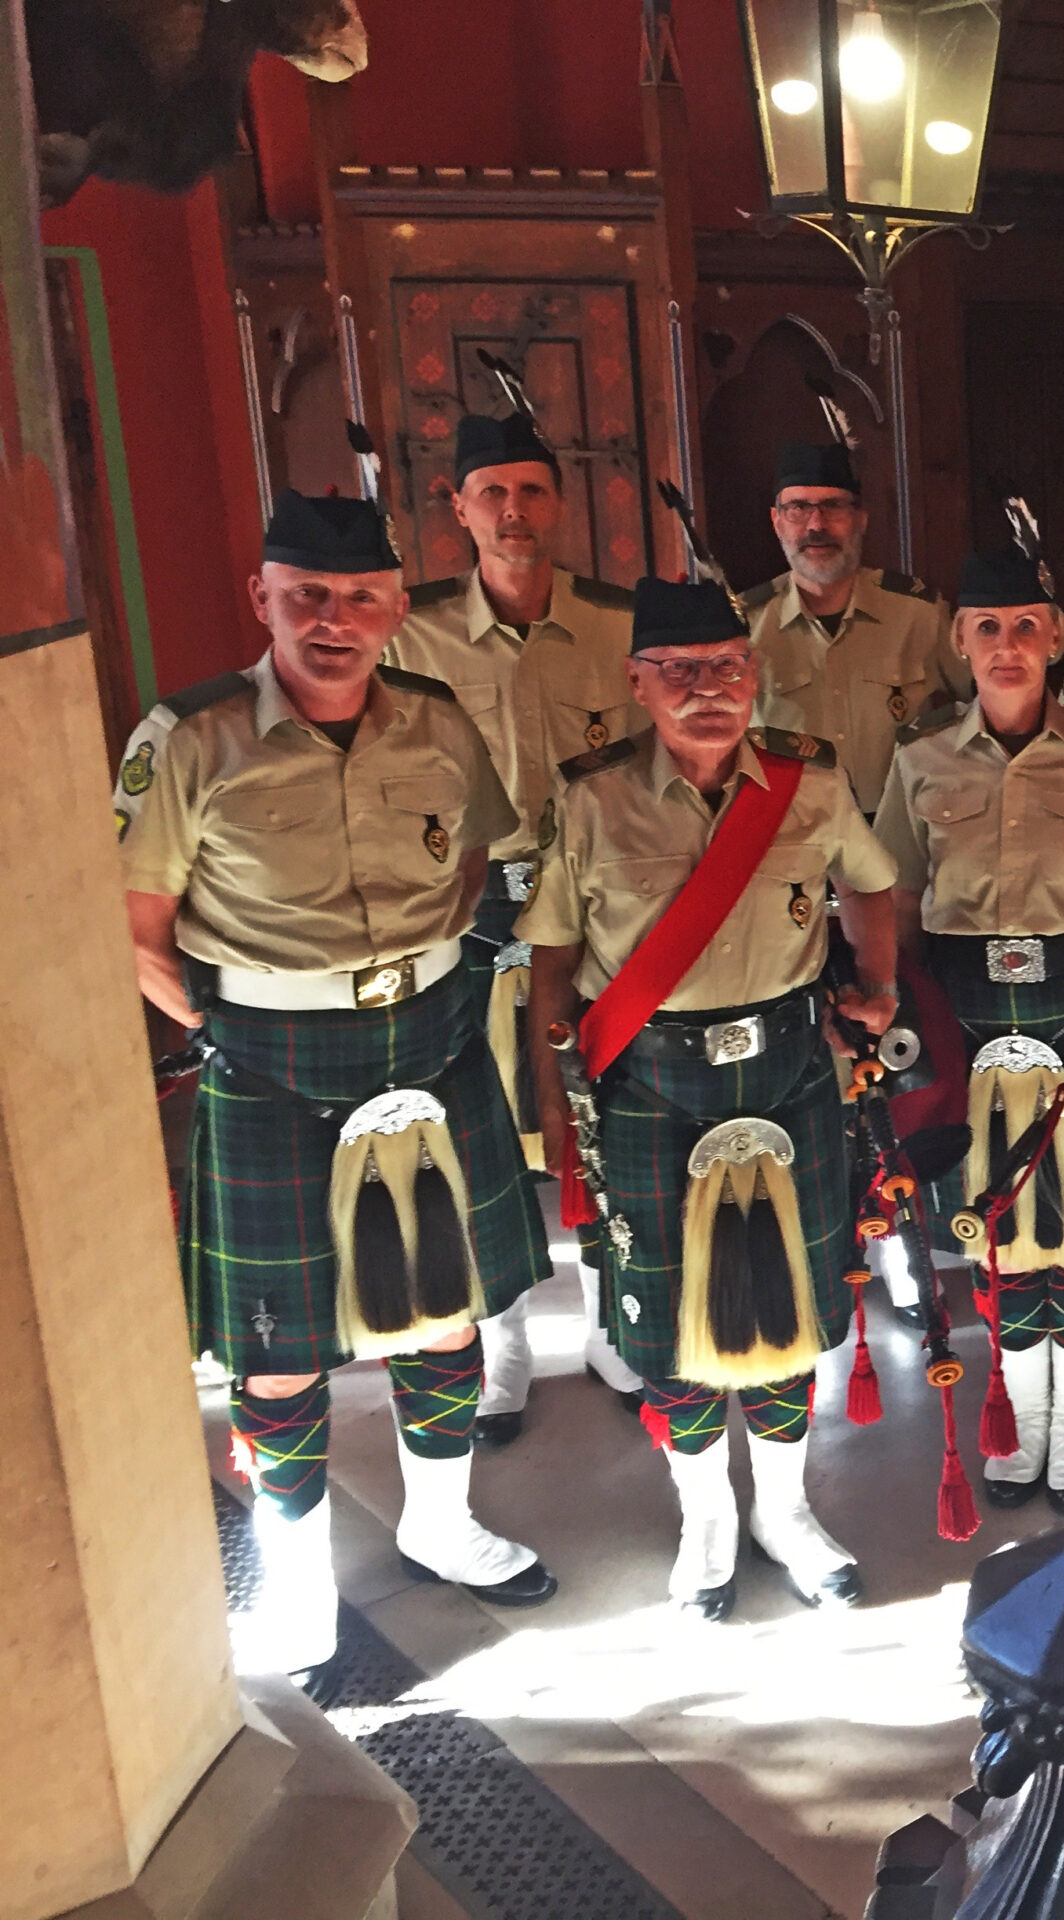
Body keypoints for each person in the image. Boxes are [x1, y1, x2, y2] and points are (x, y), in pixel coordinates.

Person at [119, 490, 560, 1695]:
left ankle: (439, 1521)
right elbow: (135, 923)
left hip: (430, 1037)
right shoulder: (190, 738)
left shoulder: (433, 719)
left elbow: (477, 849)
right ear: (262, 598)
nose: (332, 619)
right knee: (278, 1352)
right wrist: (226, 1027)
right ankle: (300, 1587)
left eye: (359, 598)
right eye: (304, 595)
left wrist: (438, 975)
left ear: (392, 610)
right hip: (268, 1061)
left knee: (446, 1307)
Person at [519, 578, 902, 1620]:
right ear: (638, 685)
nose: (706, 690)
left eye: (726, 667)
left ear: (753, 673)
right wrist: (555, 1099)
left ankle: (783, 1513)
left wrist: (878, 984)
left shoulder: (807, 784)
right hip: (645, 1079)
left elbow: (871, 881)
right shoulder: (591, 797)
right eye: (679, 672)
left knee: (783, 1317)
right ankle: (708, 1521)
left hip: (786, 1068)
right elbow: (551, 955)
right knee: (668, 1331)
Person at [870, 539, 1064, 1516]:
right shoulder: (921, 756)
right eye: (986, 629)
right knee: (995, 1222)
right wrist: (900, 998)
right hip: (969, 1006)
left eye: (1024, 628)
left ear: (1052, 638)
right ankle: (1016, 1413)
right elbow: (895, 887)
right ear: (960, 641)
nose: (1006, 647)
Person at [387, 404, 642, 1445]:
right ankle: (503, 1346)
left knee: (608, 1116)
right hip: (473, 908)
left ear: (561, 502)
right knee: (477, 1131)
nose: (513, 510)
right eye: (492, 492)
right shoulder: (411, 630)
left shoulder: (624, 623)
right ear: (458, 508)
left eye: (532, 489)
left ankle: (608, 1322)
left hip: (602, 903)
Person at [744, 438, 966, 816]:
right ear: (775, 520)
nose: (816, 525)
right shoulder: (744, 629)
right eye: (798, 507)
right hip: (795, 844)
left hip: (905, 835)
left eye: (833, 506)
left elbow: (986, 703)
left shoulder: (919, 615)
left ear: (860, 519)